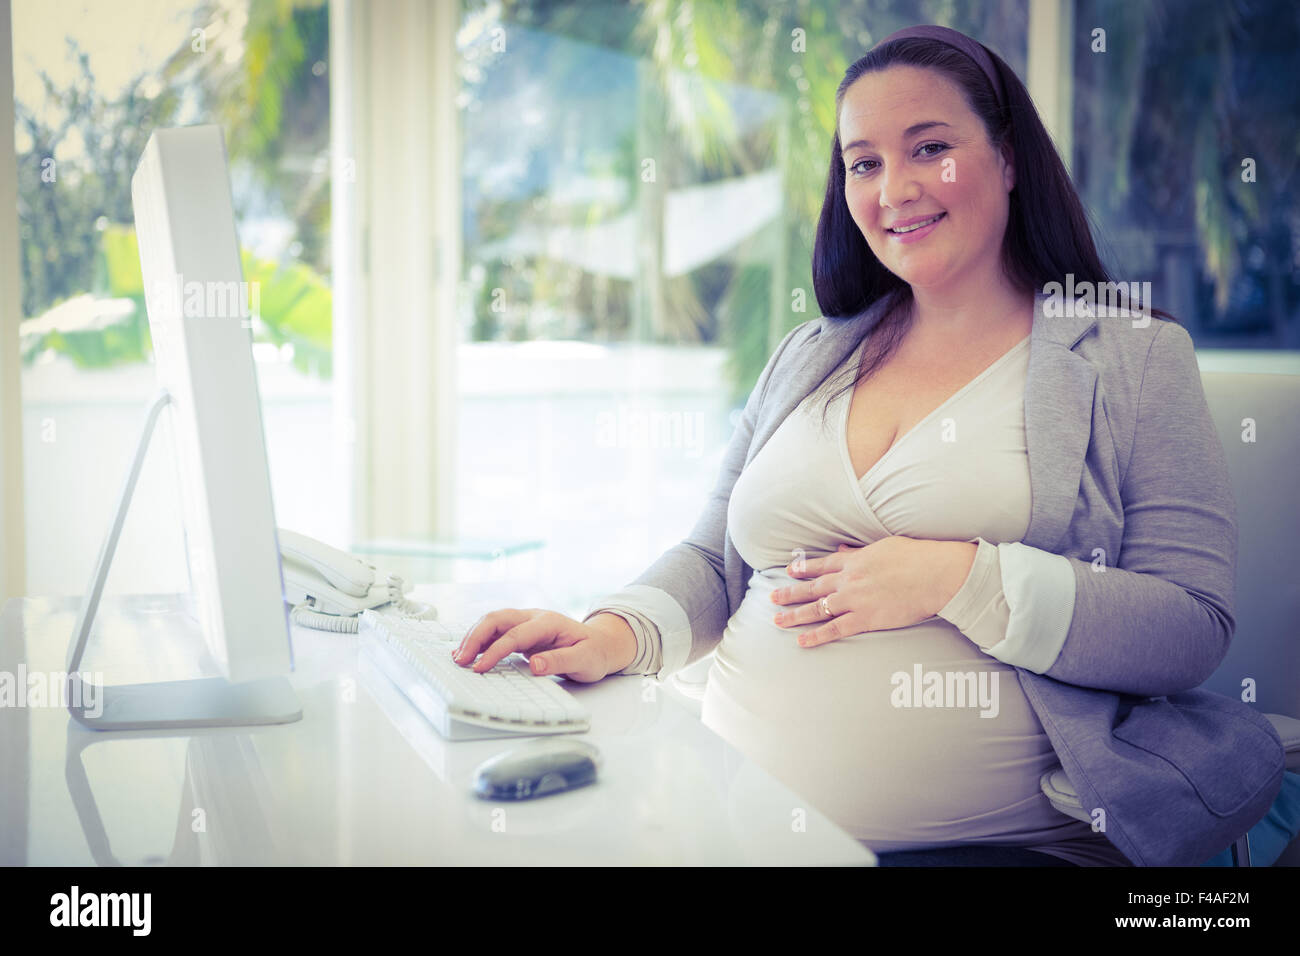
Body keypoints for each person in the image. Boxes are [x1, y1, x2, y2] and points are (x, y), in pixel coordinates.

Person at [450, 24, 1281, 867]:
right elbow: (713, 561)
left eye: (930, 148)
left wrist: (961, 578)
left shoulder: (1131, 356)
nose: (896, 188)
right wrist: (613, 632)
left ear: (1008, 159)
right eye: (864, 162)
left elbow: (1191, 627)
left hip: (1001, 846)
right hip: (730, 817)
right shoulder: (808, 356)